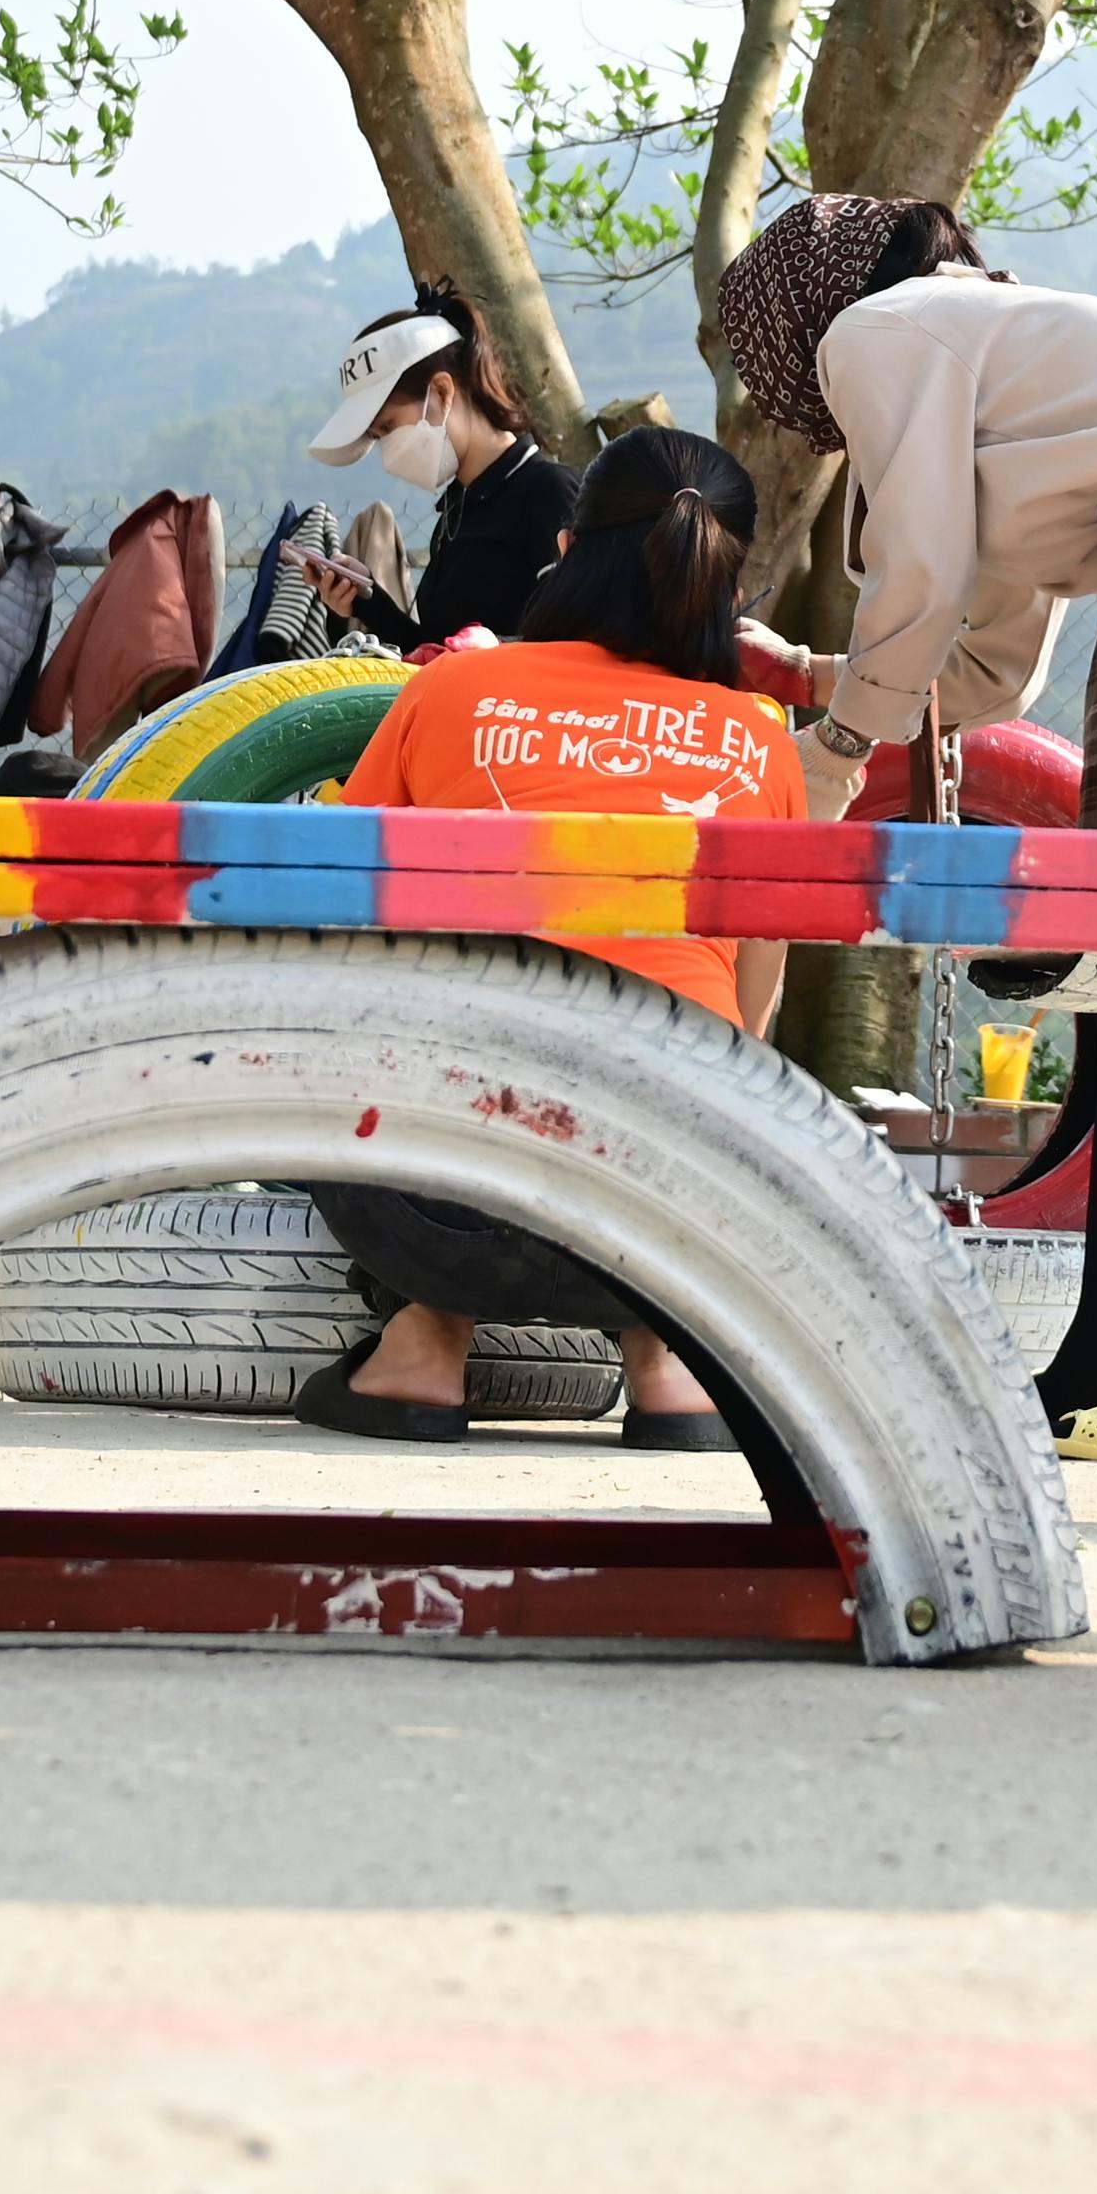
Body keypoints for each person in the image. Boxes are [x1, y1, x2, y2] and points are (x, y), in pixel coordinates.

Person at [715, 187, 1097, 1474]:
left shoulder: (880, 331)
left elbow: (924, 580)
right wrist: (824, 678)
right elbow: (986, 669)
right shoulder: (996, 356)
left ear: (796, 311)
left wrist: (832, 755)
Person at [290, 426, 800, 1447]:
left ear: (564, 552)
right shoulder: (758, 742)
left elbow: (333, 919)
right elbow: (750, 1010)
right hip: (670, 1212)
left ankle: (427, 1344)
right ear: (724, 586)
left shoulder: (448, 691)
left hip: (435, 1200)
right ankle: (668, 1365)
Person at [300, 285, 579, 651]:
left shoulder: (548, 491)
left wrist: (496, 648)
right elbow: (433, 653)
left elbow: (577, 641)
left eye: (387, 428)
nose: (388, 453)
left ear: (442, 393)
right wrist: (367, 603)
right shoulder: (457, 512)